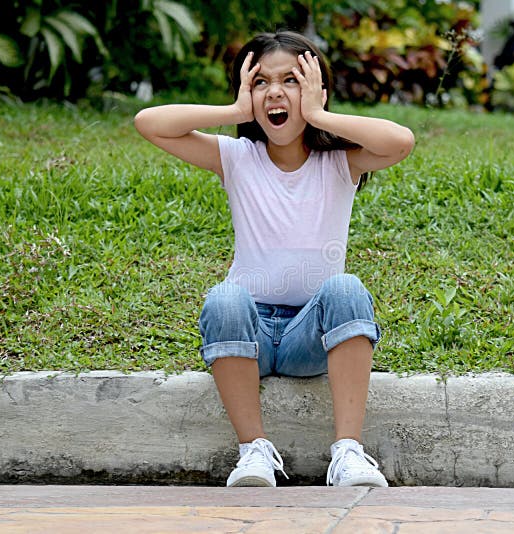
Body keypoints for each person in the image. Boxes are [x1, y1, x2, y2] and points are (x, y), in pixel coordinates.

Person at [134, 30, 414, 487]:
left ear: (315, 88)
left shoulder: (340, 162)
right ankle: (254, 451)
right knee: (224, 298)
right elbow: (149, 122)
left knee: (346, 289)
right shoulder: (237, 157)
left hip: (311, 335)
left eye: (291, 80)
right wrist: (234, 112)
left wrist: (320, 114)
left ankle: (348, 452)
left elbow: (400, 142)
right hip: (251, 335)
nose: (275, 92)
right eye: (261, 81)